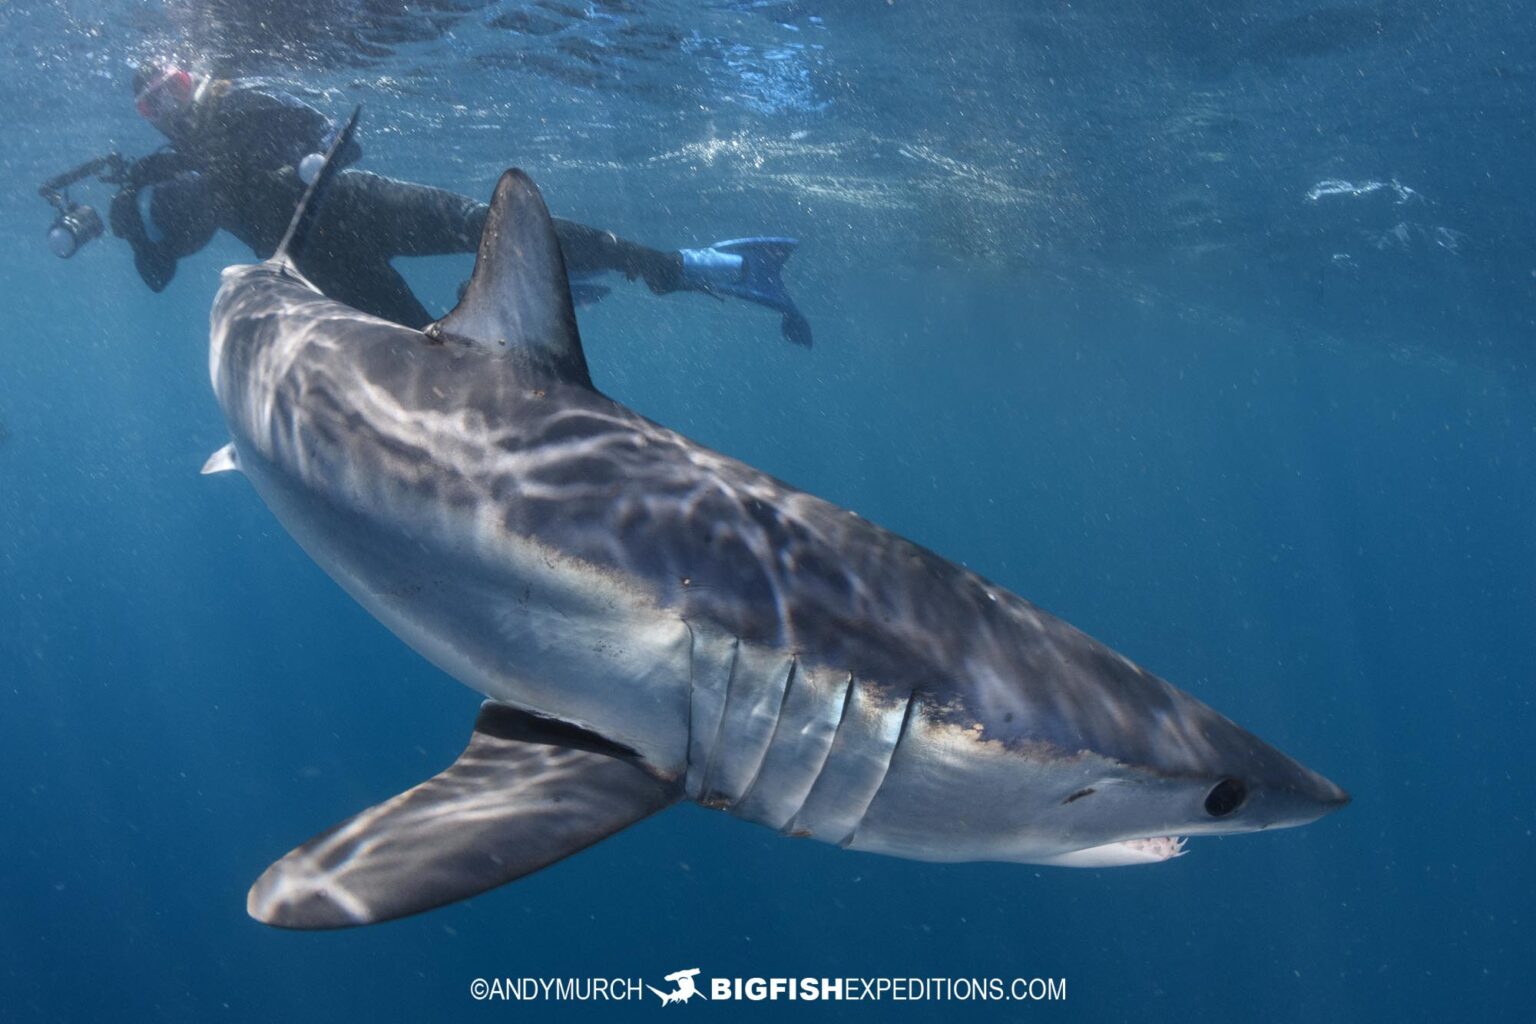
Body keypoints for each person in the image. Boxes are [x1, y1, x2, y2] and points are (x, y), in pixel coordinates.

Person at [111, 63, 812, 344]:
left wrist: (312, 157)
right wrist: (137, 225)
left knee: (502, 225)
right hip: (326, 262)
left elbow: (333, 135)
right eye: (154, 101)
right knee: (439, 359)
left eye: (173, 83)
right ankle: (496, 304)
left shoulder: (245, 102)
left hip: (364, 205)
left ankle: (685, 265)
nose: (171, 103)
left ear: (191, 73)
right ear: (147, 114)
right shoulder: (168, 167)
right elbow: (163, 267)